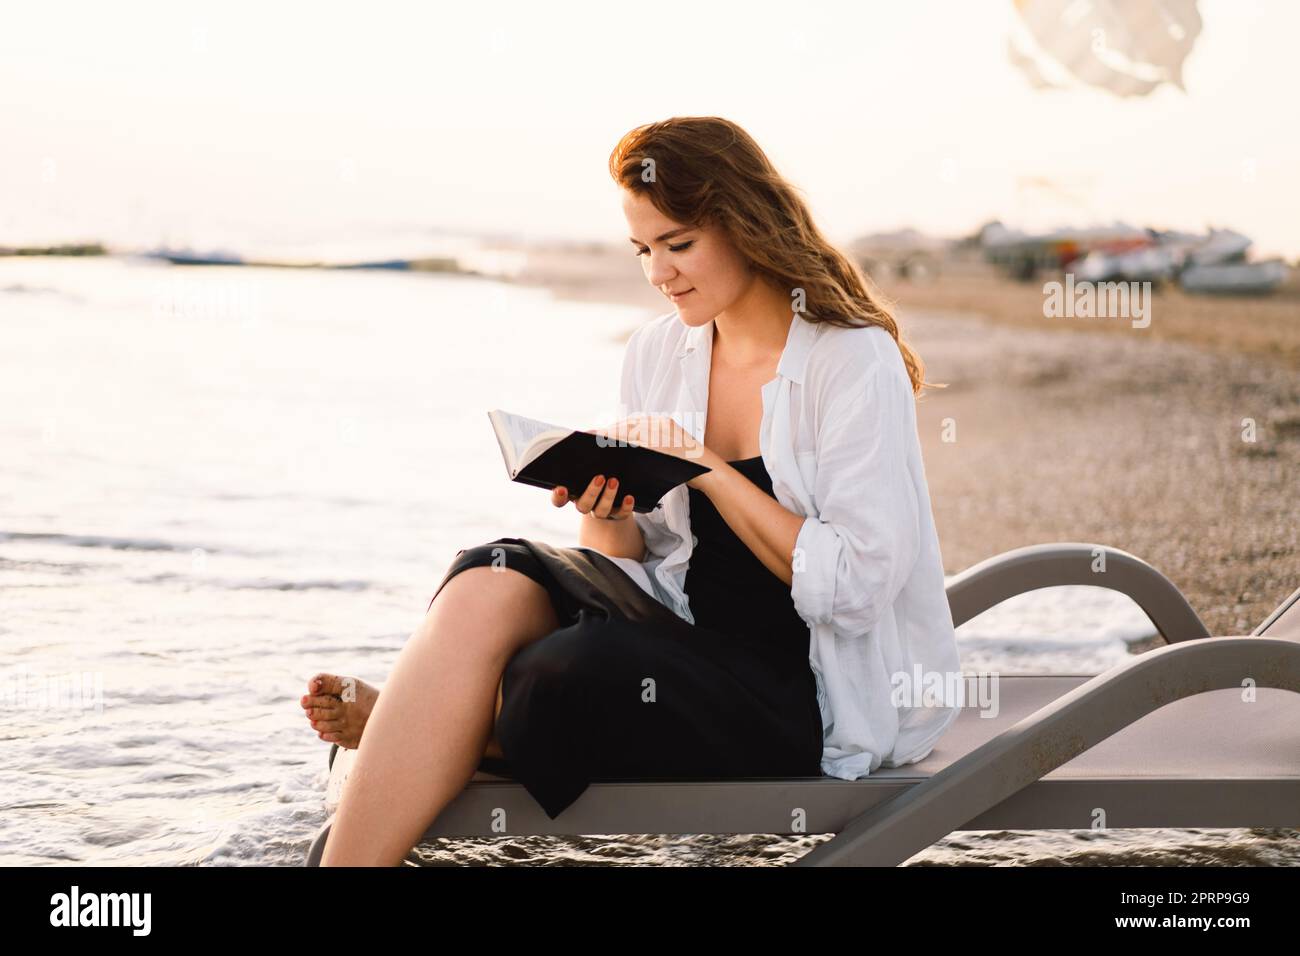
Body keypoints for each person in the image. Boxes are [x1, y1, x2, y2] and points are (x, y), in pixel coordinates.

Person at [301, 116, 961, 866]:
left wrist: (707, 465)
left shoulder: (851, 361)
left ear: (745, 225)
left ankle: (428, 727)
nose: (659, 272)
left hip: (800, 691)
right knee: (491, 573)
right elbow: (632, 560)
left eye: (678, 245)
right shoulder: (659, 351)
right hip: (681, 638)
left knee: (571, 668)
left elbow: (855, 590)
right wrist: (606, 509)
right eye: (644, 250)